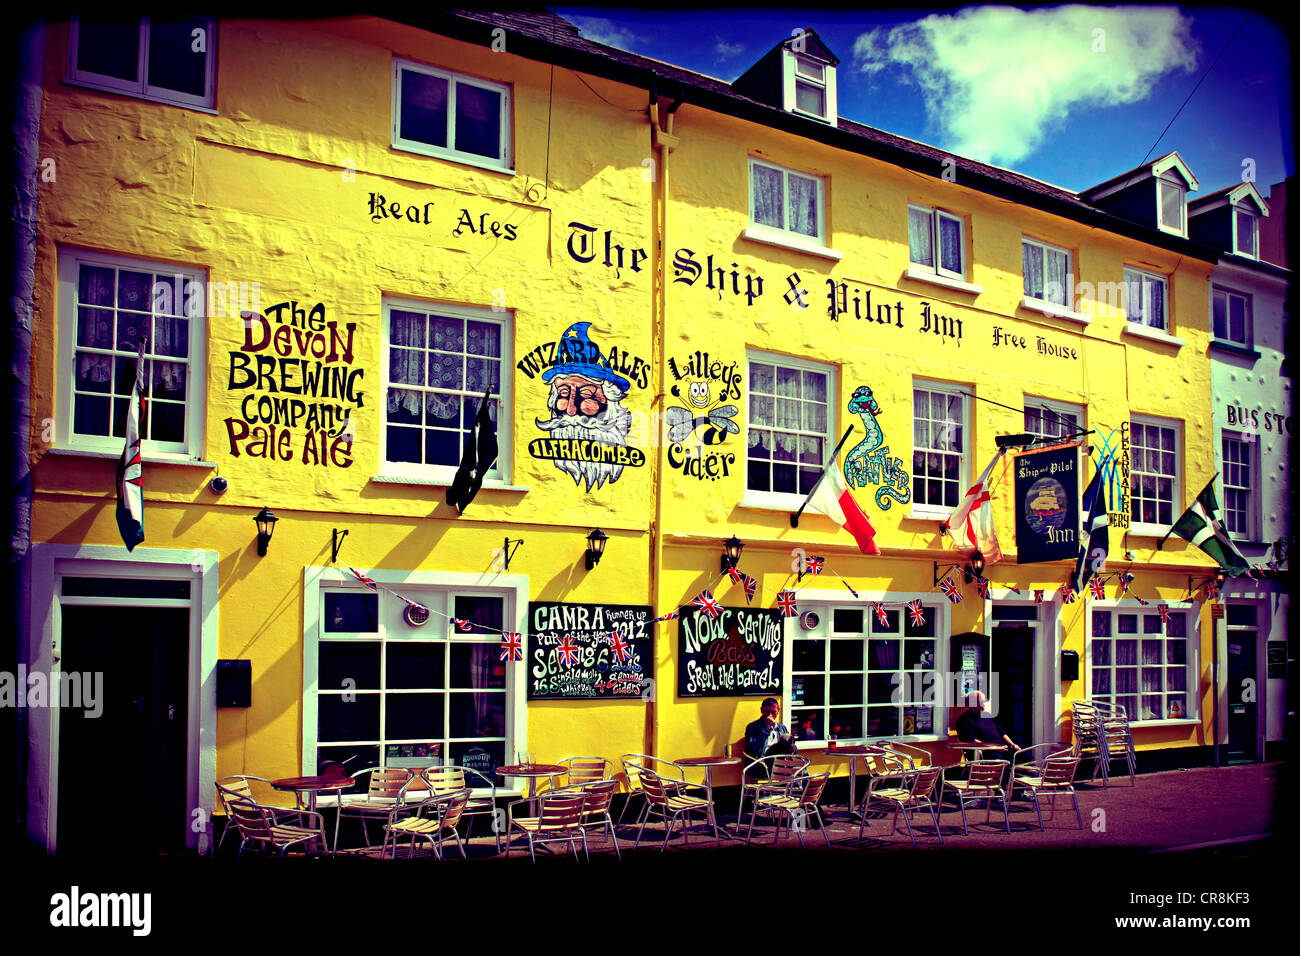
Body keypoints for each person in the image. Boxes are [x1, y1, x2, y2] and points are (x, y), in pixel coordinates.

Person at [955, 691, 1022, 753]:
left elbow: (1001, 732)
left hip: (1001, 748)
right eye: (982, 702)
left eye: (984, 702)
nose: (984, 704)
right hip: (985, 752)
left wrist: (1013, 744)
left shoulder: (987, 715)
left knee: (1026, 756)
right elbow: (972, 741)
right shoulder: (965, 720)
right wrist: (994, 748)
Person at [744, 698, 797, 770]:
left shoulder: (782, 727)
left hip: (781, 762)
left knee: (799, 768)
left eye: (773, 712)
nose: (770, 715)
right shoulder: (752, 727)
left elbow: (793, 748)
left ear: (778, 711)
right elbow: (753, 749)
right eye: (767, 712)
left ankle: (804, 779)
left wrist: (792, 749)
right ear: (762, 710)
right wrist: (766, 728)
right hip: (762, 764)